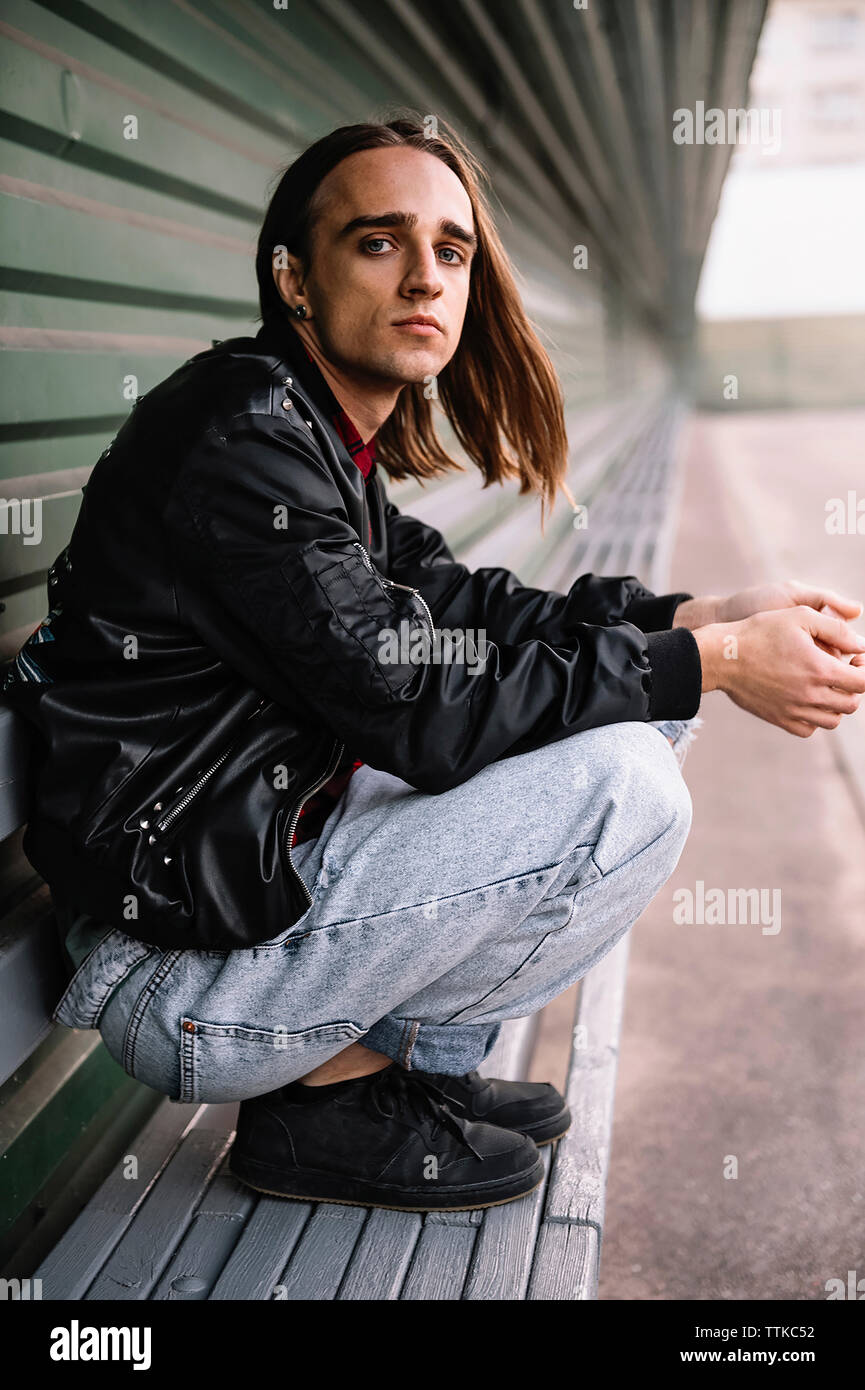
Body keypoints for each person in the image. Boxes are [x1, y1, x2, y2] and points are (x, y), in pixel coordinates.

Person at [4, 117, 864, 1214]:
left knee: (644, 712)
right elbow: (418, 704)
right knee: (622, 782)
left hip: (244, 895)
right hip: (177, 971)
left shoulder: (314, 435)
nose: (426, 276)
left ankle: (380, 1072)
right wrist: (723, 659)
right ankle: (326, 1097)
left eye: (452, 251)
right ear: (294, 278)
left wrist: (703, 615)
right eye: (378, 241)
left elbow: (469, 611)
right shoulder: (243, 439)